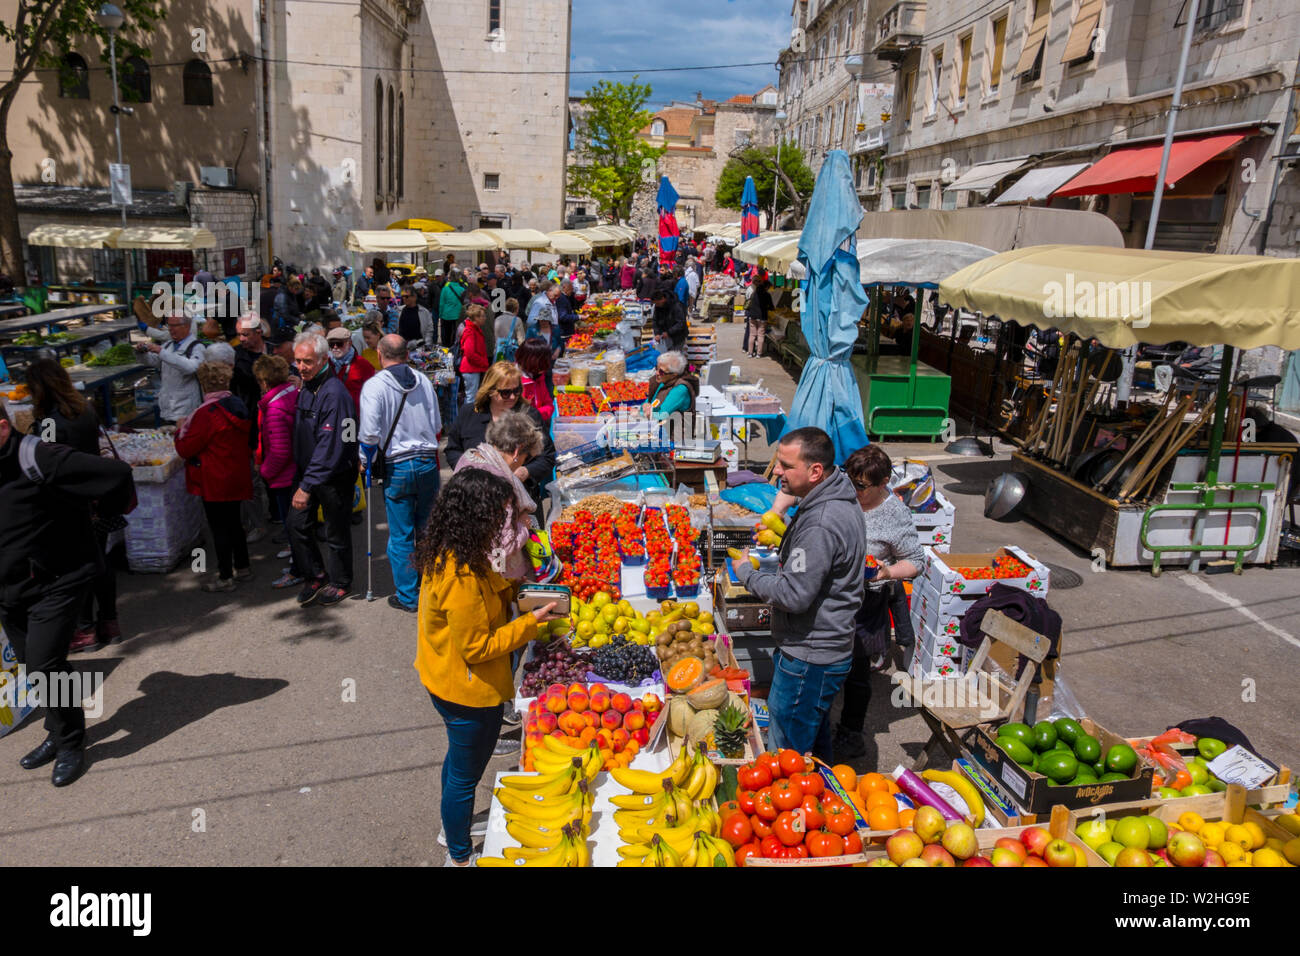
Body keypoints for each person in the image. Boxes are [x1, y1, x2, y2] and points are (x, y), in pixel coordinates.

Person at [414, 468, 563, 865]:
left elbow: (487, 593)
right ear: (478, 517)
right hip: (466, 690)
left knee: (458, 763)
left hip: (446, 679)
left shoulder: (457, 548)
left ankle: (452, 829)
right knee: (465, 776)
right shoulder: (459, 573)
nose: (509, 523)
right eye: (502, 516)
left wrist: (519, 590)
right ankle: (459, 855)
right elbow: (478, 646)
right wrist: (529, 624)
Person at [0, 403, 134, 787]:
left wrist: (95, 521)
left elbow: (117, 474)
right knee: (33, 666)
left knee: (46, 662)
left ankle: (72, 742)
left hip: (58, 580)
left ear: (3, 428)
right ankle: (58, 733)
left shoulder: (40, 456)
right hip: (11, 589)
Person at [730, 428, 866, 763]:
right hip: (825, 649)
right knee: (813, 745)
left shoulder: (820, 522)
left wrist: (748, 573)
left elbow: (793, 595)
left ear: (815, 471)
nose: (776, 471)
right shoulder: (836, 499)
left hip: (810, 657)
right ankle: (825, 793)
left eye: (786, 465)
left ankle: (799, 811)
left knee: (787, 754)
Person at [24, 359, 124, 653]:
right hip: (97, 497)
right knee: (101, 562)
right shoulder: (85, 409)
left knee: (74, 569)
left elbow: (49, 461)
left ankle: (84, 630)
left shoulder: (51, 422)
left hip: (69, 502)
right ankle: (110, 622)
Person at [830, 445, 923, 761]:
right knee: (825, 663)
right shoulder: (842, 494)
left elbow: (915, 561)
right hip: (830, 595)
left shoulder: (895, 513)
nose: (853, 489)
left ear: (883, 482)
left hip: (866, 601)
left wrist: (884, 571)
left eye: (861, 485)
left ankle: (851, 733)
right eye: (850, 480)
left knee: (857, 671)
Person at [359, 335, 443, 613]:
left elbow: (369, 434)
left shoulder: (375, 386)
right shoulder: (423, 381)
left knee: (401, 534)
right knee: (427, 529)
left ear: (380, 354)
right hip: (427, 462)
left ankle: (409, 596)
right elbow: (436, 424)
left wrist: (365, 459)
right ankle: (432, 587)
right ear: (407, 354)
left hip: (398, 466)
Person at [287, 332, 360, 608]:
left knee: (336, 532)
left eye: (307, 361)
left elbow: (330, 446)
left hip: (333, 475)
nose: (302, 367)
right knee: (296, 525)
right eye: (298, 361)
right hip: (309, 471)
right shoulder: (307, 386)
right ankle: (316, 574)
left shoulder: (335, 394)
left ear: (323, 359)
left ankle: (341, 582)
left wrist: (306, 486)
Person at [174, 362, 254, 592]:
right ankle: (243, 566)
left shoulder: (205, 413)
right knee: (235, 523)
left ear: (203, 383)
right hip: (236, 472)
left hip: (214, 477)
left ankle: (225, 576)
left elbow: (185, 448)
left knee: (219, 528)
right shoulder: (237, 404)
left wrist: (180, 430)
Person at [444, 361, 556, 509]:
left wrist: (525, 472)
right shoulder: (468, 413)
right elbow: (452, 449)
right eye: (505, 393)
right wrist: (470, 469)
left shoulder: (530, 415)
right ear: (490, 391)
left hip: (520, 498)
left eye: (516, 391)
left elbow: (547, 456)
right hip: (476, 498)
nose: (512, 397)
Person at [253, 354, 304, 589]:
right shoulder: (291, 394)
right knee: (297, 525)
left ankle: (297, 571)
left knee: (292, 526)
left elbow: (280, 451)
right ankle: (299, 564)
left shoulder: (274, 409)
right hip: (296, 470)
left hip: (284, 476)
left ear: (263, 382)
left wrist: (264, 471)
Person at [138, 313, 206, 423]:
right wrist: (141, 353)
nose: (170, 329)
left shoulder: (197, 347)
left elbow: (190, 367)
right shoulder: (168, 345)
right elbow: (153, 361)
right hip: (168, 406)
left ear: (186, 326)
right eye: (169, 325)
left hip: (186, 410)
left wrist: (161, 352)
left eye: (174, 326)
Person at [645, 350, 696, 424]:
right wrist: (643, 410)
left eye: (661, 372)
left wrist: (644, 413)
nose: (656, 373)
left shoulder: (680, 389)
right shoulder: (663, 382)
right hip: (658, 427)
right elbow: (646, 404)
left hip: (676, 433)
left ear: (674, 375)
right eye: (656, 368)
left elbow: (661, 415)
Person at [457, 303, 491, 409]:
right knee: (471, 398)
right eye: (483, 316)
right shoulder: (470, 331)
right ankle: (467, 419)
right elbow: (470, 353)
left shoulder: (474, 329)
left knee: (471, 396)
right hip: (470, 368)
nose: (485, 318)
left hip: (472, 368)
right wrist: (484, 362)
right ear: (476, 317)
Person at [515, 338, 554, 422]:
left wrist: (536, 414)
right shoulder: (513, 381)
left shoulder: (538, 375)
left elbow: (549, 404)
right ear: (531, 361)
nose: (546, 367)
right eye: (543, 363)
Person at [651, 281, 688, 352]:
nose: (656, 305)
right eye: (655, 304)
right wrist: (657, 333)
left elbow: (681, 323)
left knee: (675, 357)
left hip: (677, 337)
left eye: (658, 303)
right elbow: (655, 321)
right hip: (666, 338)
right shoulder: (658, 306)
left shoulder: (676, 305)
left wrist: (669, 332)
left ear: (663, 299)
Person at [395, 284, 436, 348]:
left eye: (406, 296)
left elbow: (429, 330)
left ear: (414, 297)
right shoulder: (398, 311)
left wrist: (427, 344)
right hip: (402, 348)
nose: (404, 298)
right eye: (402, 296)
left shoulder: (424, 312)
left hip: (420, 348)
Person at [745, 276, 773, 358]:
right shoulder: (767, 295)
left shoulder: (754, 293)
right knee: (760, 335)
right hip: (762, 317)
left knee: (752, 335)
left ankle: (750, 353)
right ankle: (759, 353)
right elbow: (771, 307)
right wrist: (767, 308)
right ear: (766, 287)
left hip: (752, 316)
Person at [439, 269, 466, 348]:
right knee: (457, 334)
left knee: (446, 334)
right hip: (458, 315)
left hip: (446, 315)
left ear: (450, 278)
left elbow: (441, 303)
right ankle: (455, 349)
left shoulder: (445, 289)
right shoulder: (462, 290)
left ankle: (446, 348)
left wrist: (440, 314)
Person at [494, 297, 524, 362]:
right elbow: (521, 341)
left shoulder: (497, 319)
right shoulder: (517, 320)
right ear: (516, 309)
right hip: (511, 354)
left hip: (499, 352)